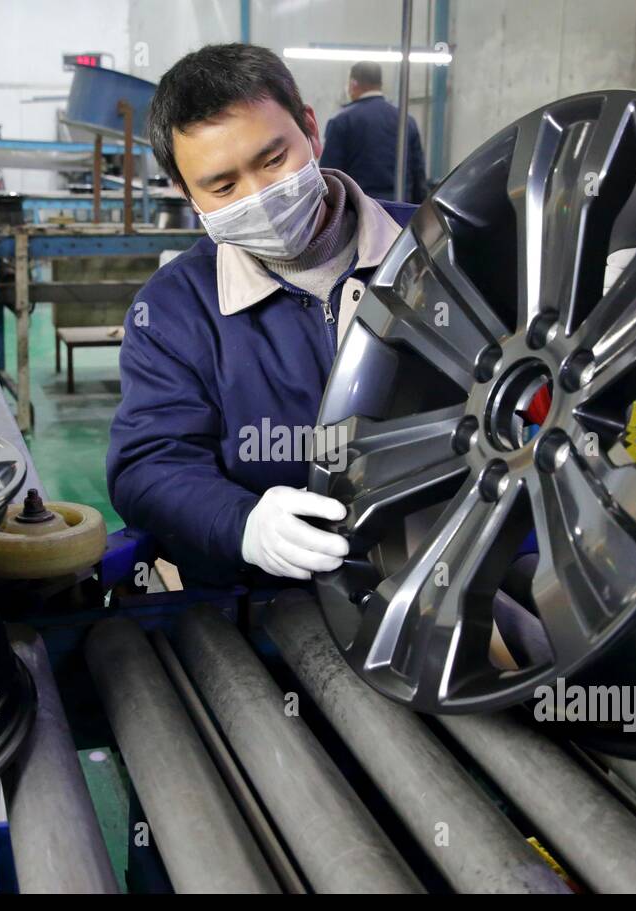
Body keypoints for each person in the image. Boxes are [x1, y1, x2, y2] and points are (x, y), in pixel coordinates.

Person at [106, 43, 417, 587]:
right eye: (223, 187)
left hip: (447, 560)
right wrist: (243, 523)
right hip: (267, 597)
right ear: (185, 192)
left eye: (274, 160)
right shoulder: (175, 311)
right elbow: (148, 465)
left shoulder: (436, 250)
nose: (262, 195)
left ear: (311, 130)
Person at [319, 60, 427, 204]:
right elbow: (418, 176)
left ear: (353, 84)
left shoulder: (342, 121)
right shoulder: (406, 120)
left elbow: (329, 176)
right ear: (380, 84)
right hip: (400, 211)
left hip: (360, 212)